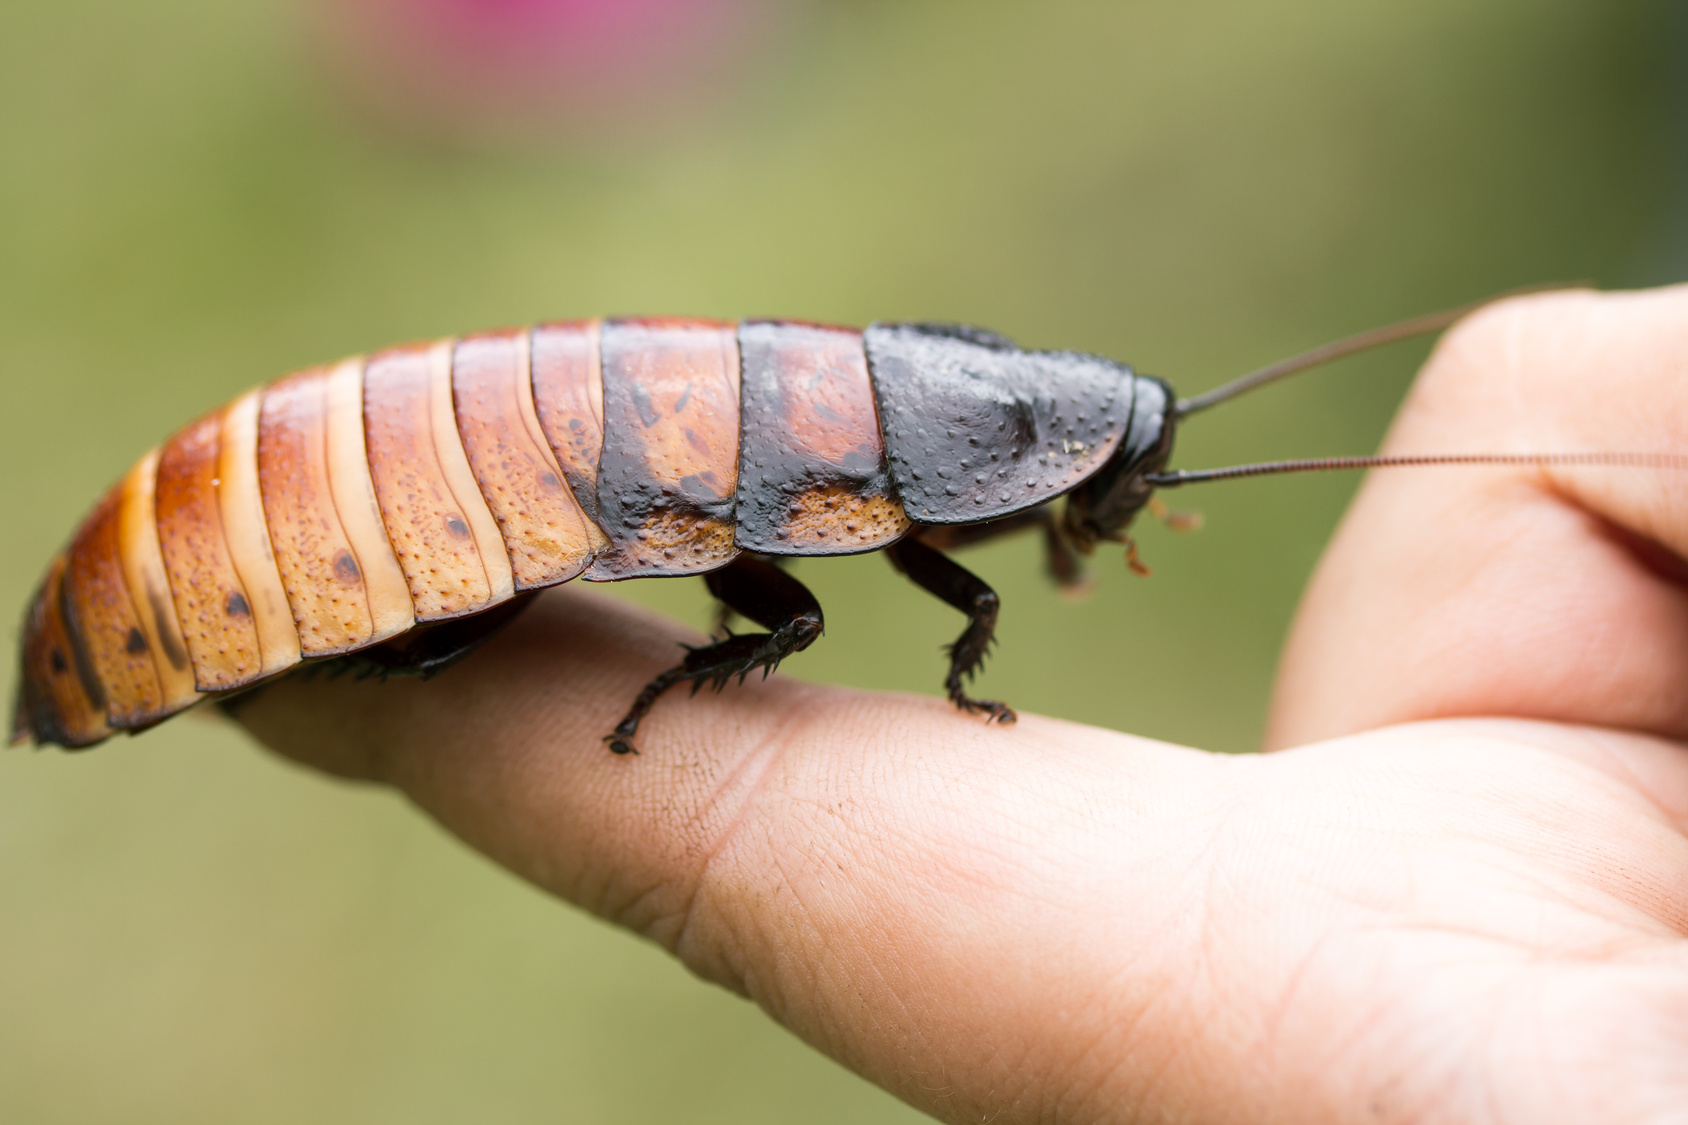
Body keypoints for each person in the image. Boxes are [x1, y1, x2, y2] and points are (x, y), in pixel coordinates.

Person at [236, 287, 1688, 1124]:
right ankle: (264, 647)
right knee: (548, 635)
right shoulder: (896, 476)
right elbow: (921, 592)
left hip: (434, 422)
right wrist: (692, 675)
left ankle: (263, 654)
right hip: (382, 460)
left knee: (467, 645)